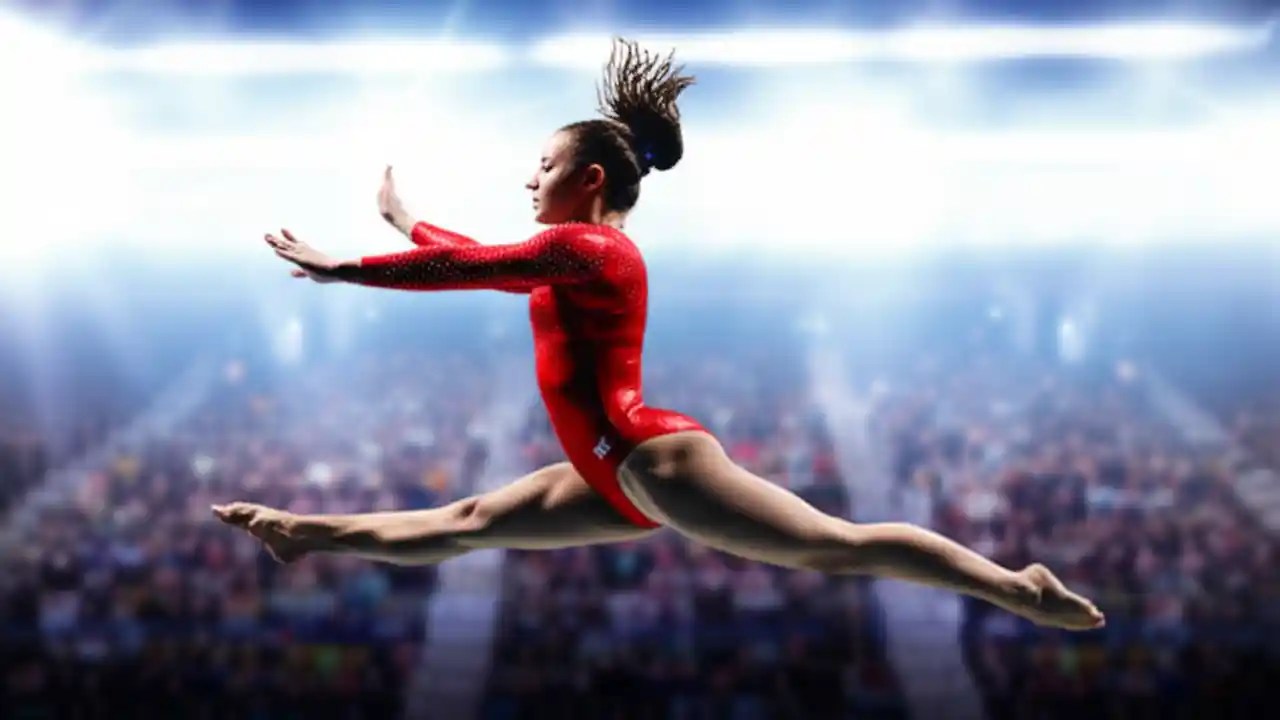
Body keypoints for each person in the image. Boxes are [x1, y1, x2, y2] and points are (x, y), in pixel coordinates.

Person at [214, 38, 1104, 631]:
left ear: (589, 177)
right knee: (471, 520)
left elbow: (473, 268)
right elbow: (481, 257)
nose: (529, 180)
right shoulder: (571, 250)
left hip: (650, 458)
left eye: (544, 166)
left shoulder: (591, 247)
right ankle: (305, 531)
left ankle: (1012, 586)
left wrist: (348, 268)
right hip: (611, 468)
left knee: (836, 545)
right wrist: (408, 222)